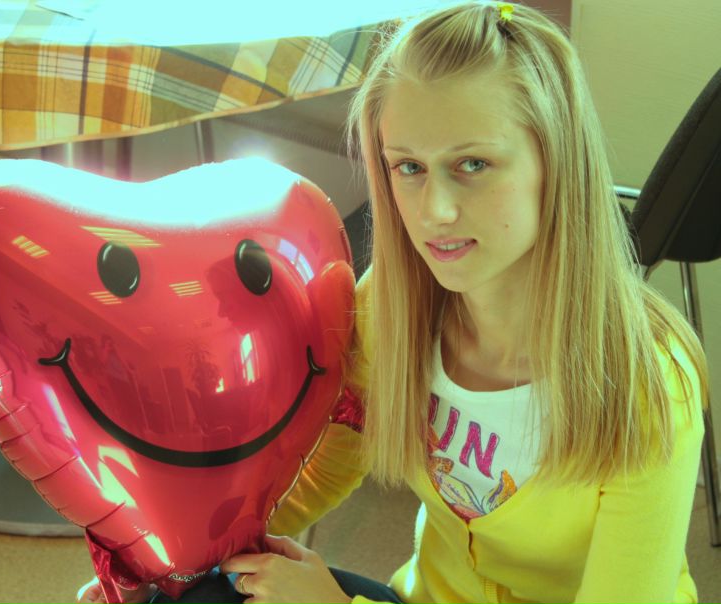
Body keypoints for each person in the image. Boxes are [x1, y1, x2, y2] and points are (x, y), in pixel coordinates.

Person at [77, 1, 709, 602]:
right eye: (409, 167)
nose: (436, 211)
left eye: (473, 164)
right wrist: (171, 557)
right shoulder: (390, 307)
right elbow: (329, 466)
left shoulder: (649, 387)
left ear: (556, 163)